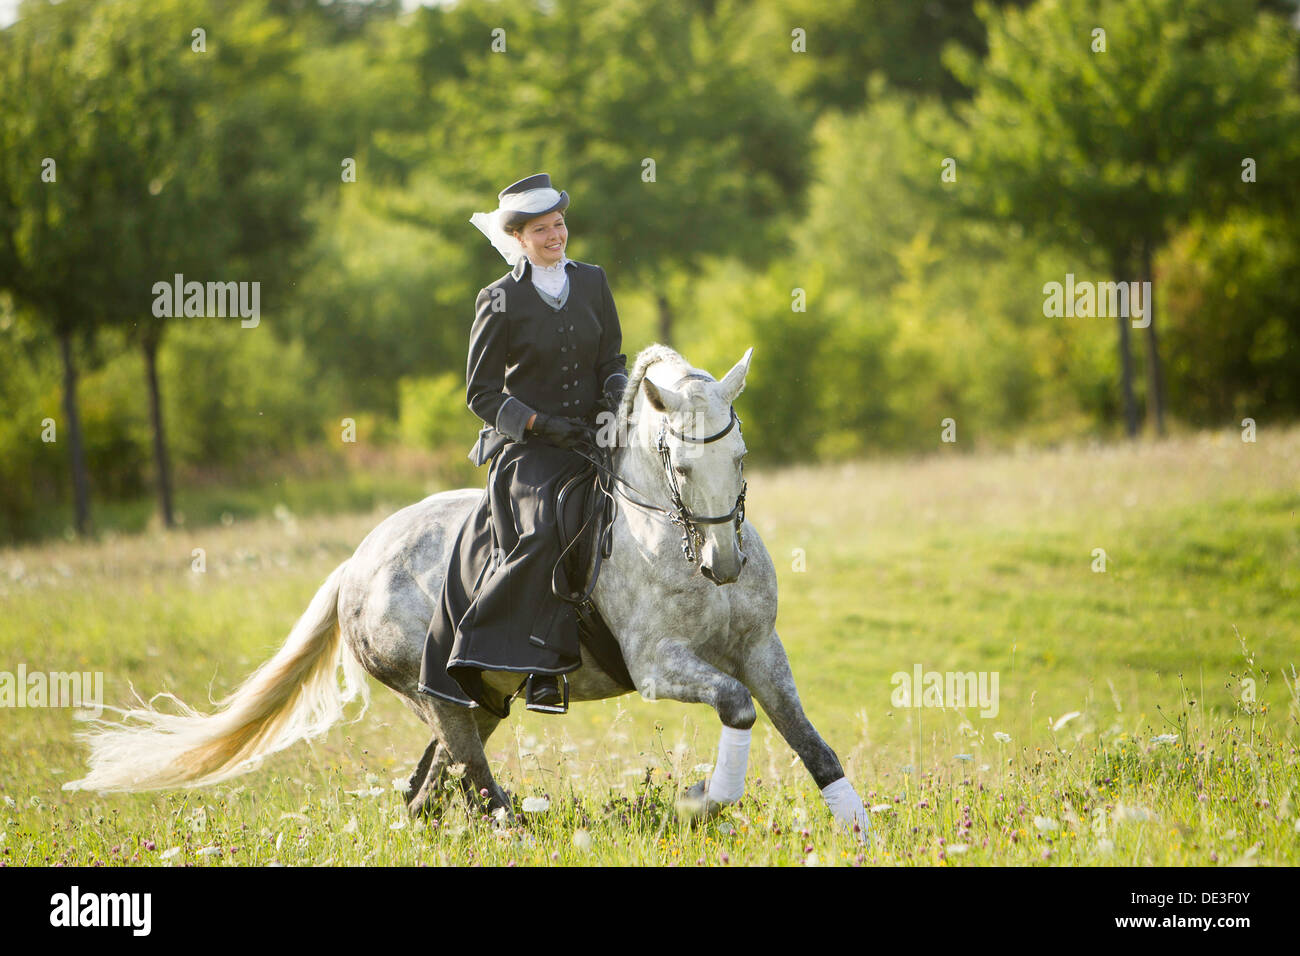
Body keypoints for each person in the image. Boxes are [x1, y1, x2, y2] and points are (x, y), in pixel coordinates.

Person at [417, 173, 628, 718]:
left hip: (595, 435)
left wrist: (616, 401)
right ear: (518, 239)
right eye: (542, 229)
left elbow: (612, 363)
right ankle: (538, 666)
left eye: (559, 224)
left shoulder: (593, 282)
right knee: (541, 533)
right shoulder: (500, 299)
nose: (556, 235)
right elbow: (481, 394)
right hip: (530, 448)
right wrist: (541, 425)